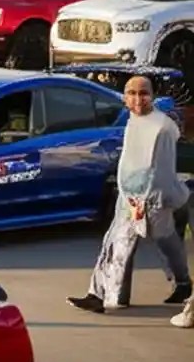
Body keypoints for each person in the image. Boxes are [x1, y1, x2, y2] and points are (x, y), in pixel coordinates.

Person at [69, 76, 192, 317]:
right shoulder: (134, 120)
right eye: (131, 93)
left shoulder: (162, 128)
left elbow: (163, 170)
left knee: (166, 243)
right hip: (129, 198)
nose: (137, 99)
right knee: (116, 245)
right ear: (124, 97)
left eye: (143, 93)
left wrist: (145, 201)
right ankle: (101, 295)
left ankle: (183, 284)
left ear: (153, 96)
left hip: (149, 200)